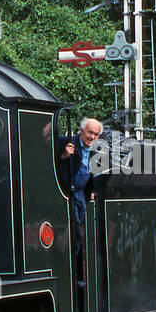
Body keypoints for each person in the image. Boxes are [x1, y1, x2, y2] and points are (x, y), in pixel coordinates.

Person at [56, 116, 102, 281]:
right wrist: (63, 156)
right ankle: (69, 275)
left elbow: (95, 174)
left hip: (81, 196)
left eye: (96, 134)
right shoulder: (66, 142)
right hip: (67, 194)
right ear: (81, 130)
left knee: (80, 237)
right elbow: (51, 162)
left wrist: (92, 190)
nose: (93, 137)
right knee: (74, 236)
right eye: (90, 132)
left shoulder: (96, 150)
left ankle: (77, 275)